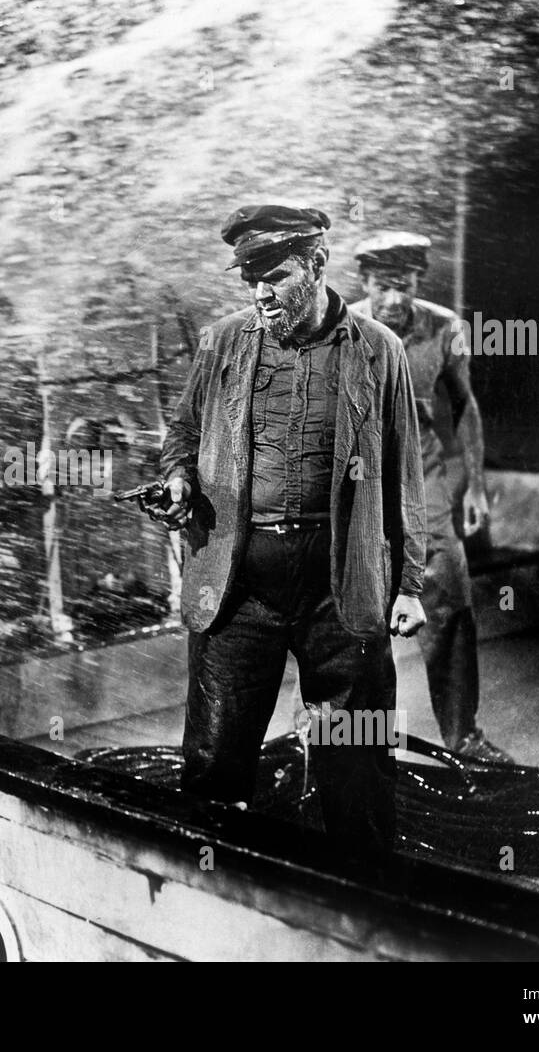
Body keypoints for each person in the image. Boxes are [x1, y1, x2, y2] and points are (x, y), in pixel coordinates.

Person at [150, 202, 428, 861]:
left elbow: (404, 472)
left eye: (273, 276)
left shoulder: (379, 351)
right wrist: (179, 480)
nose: (260, 293)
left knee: (356, 769)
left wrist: (411, 582)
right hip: (239, 582)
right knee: (215, 764)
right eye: (249, 280)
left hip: (341, 580)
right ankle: (211, 904)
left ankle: (364, 911)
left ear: (316, 264)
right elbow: (181, 439)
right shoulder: (222, 342)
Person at [349, 232, 512, 763]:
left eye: (404, 285)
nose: (393, 299)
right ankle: (361, 743)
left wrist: (477, 487)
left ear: (418, 282)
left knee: (452, 608)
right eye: (382, 287)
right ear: (365, 284)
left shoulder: (445, 328)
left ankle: (464, 737)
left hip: (426, 487)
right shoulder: (340, 329)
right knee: (355, 619)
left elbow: (465, 407)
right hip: (358, 491)